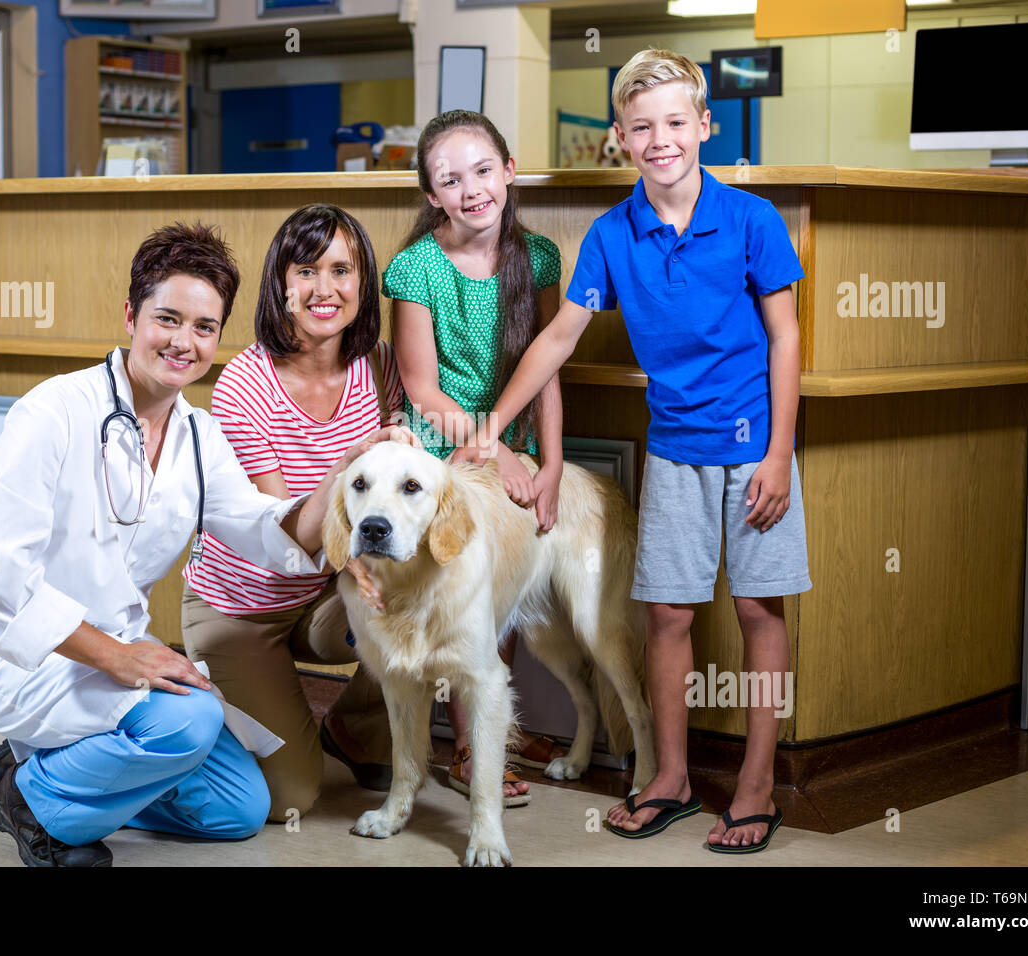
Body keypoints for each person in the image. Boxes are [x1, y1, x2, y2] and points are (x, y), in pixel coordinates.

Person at [0, 221, 408, 867]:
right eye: (168, 319)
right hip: (34, 659)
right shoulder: (53, 412)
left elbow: (266, 529)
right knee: (191, 723)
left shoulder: (197, 436)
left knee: (239, 807)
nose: (183, 342)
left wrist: (347, 469)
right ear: (132, 315)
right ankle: (29, 794)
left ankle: (67, 765)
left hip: (121, 653)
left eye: (204, 327)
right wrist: (114, 657)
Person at [457, 49, 811, 852]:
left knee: (758, 610)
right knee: (666, 616)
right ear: (620, 137)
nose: (661, 140)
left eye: (677, 123)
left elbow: (785, 337)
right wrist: (490, 426)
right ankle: (672, 775)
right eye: (642, 126)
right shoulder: (613, 233)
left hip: (756, 447)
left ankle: (756, 784)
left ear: (705, 126)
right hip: (675, 452)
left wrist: (780, 450)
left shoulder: (752, 220)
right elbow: (558, 336)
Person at [181, 204, 405, 821]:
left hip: (327, 592)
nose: (325, 289)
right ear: (280, 283)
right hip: (242, 607)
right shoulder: (244, 384)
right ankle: (191, 722)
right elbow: (284, 533)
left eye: (342, 269)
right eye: (306, 270)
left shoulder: (382, 366)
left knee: (415, 593)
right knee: (291, 799)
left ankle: (354, 728)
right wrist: (349, 463)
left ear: (364, 282)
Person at [382, 109, 570, 807]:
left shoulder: (539, 257)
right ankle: (463, 747)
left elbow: (549, 367)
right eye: (450, 180)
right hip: (445, 451)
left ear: (510, 171)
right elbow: (422, 388)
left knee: (502, 595)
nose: (471, 190)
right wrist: (492, 452)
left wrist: (547, 462)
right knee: (458, 603)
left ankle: (490, 732)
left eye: (483, 171)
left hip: (512, 445)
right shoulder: (416, 268)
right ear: (431, 195)